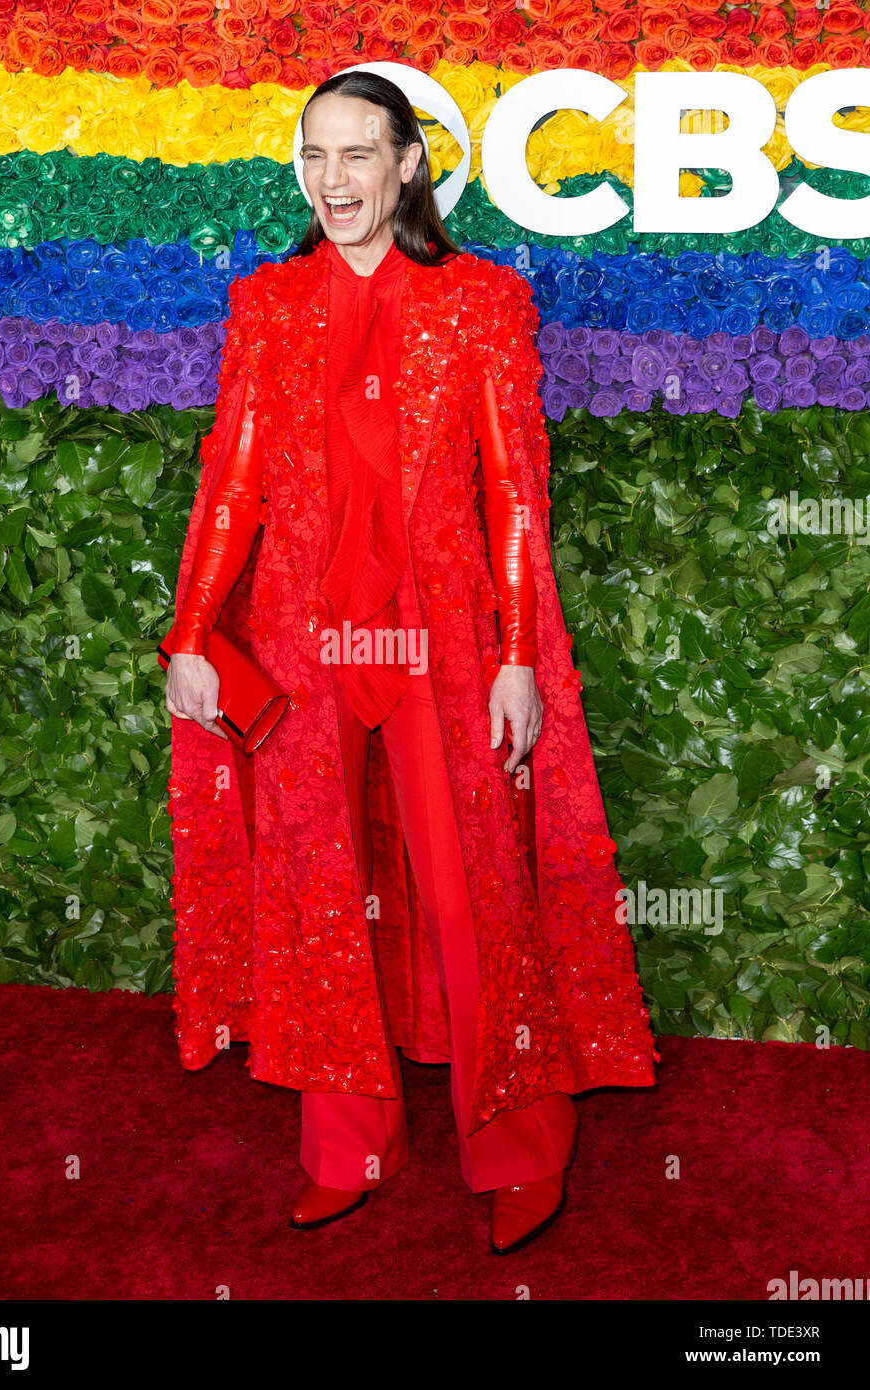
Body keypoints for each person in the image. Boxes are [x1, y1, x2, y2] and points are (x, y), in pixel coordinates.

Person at [164, 70, 657, 1255]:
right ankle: (348, 1149)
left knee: (470, 899)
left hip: (439, 648)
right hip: (302, 648)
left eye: (356, 156)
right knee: (320, 904)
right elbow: (230, 480)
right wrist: (191, 633)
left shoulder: (479, 303)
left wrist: (516, 656)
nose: (331, 182)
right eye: (312, 157)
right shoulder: (268, 305)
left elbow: (513, 497)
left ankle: (520, 1147)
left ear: (409, 165)